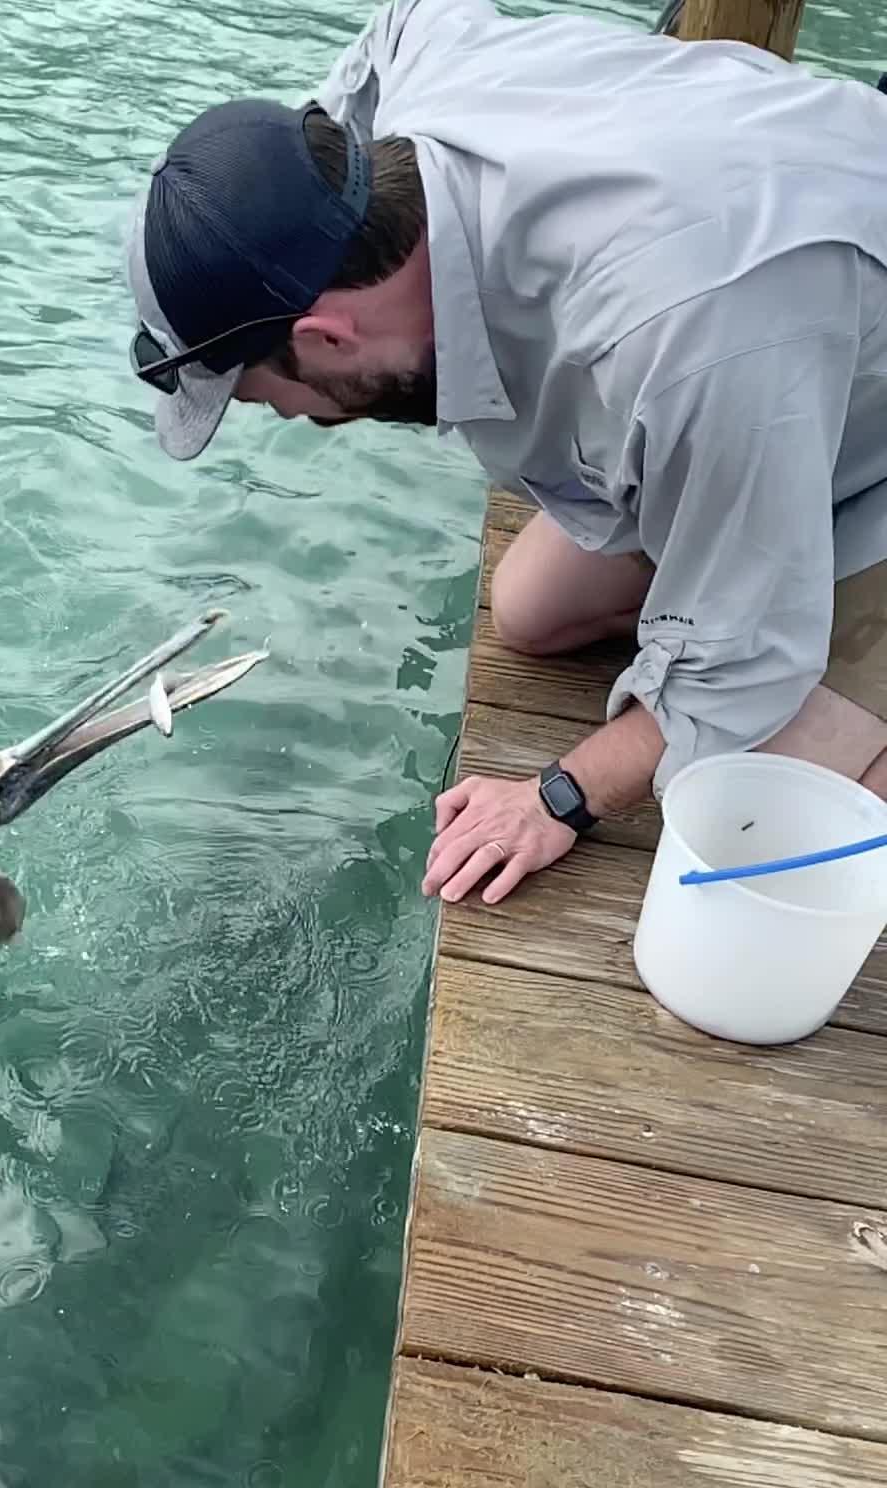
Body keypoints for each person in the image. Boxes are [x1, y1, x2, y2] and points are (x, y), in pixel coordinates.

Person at [124, 0, 887, 905]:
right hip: (797, 387)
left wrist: (556, 798)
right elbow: (396, 27)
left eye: (260, 395)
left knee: (748, 834)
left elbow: (737, 673)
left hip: (810, 386)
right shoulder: (420, 91)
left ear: (327, 338)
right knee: (532, 612)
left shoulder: (676, 337)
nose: (282, 417)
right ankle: (757, 553)